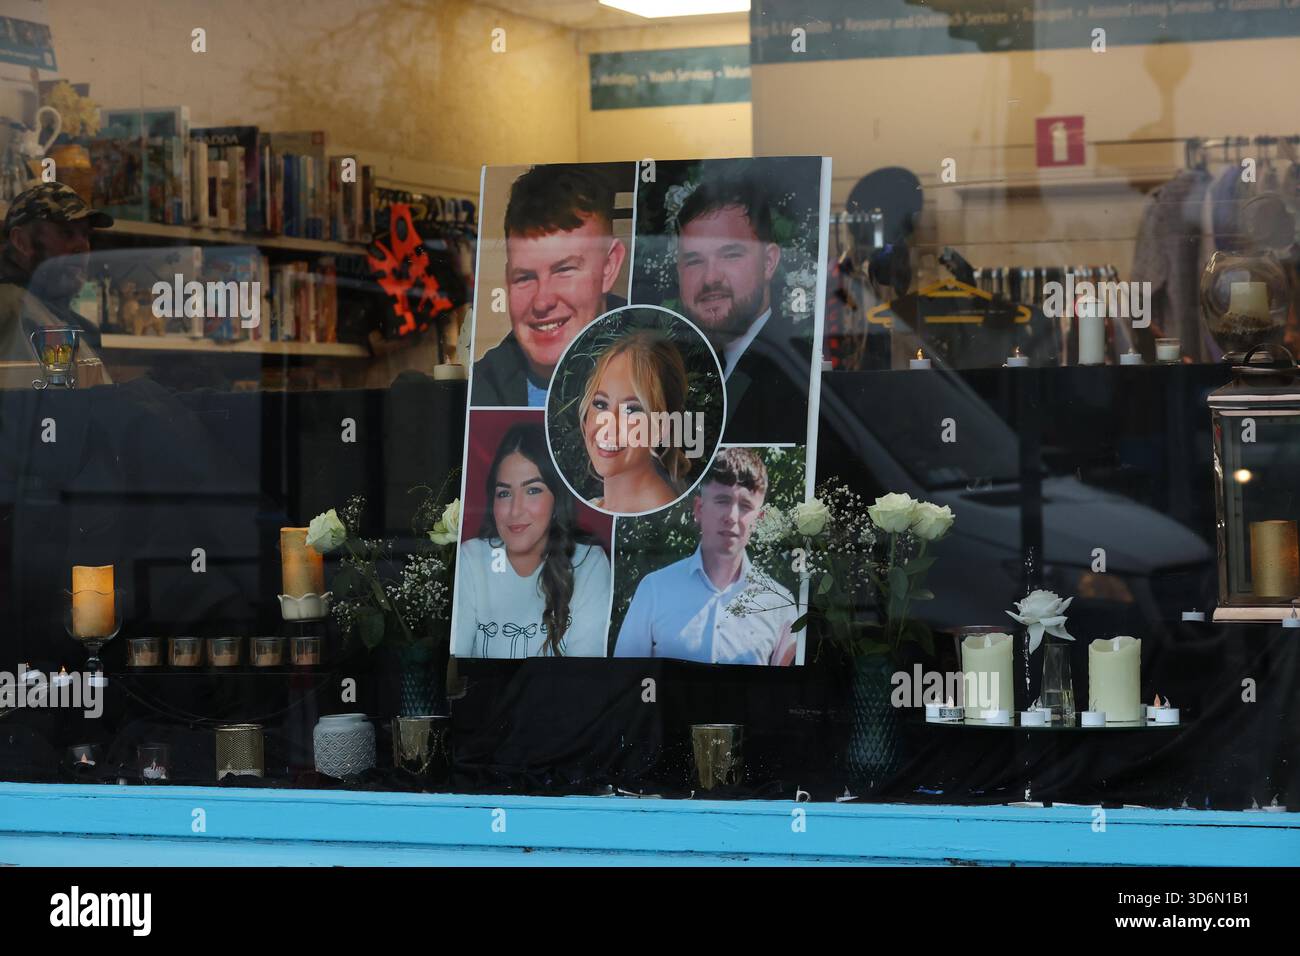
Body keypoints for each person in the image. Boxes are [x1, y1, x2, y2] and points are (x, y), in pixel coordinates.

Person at [614, 448, 798, 665]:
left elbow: (782, 695)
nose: (732, 516)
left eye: (746, 506)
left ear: (759, 519)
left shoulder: (779, 604)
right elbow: (625, 682)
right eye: (722, 501)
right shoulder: (654, 589)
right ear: (699, 509)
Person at [472, 165, 628, 407]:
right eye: (524, 277)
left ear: (609, 266)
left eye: (564, 270)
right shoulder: (479, 392)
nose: (542, 301)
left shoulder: (666, 366)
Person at [454, 421, 611, 658]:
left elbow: (583, 677)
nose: (515, 510)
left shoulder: (588, 563)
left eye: (533, 490)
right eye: (504, 493)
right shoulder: (472, 559)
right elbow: (456, 665)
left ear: (557, 499)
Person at [674, 172, 811, 444]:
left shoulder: (799, 375)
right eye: (693, 260)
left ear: (769, 262)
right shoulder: (674, 371)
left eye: (731, 255)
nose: (711, 277)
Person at [0, 182, 114, 376]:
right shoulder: (9, 308)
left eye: (85, 235)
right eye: (66, 233)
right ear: (21, 241)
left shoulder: (83, 329)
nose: (82, 246)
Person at [579, 329, 693, 514]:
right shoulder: (594, 507)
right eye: (600, 404)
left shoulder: (661, 524)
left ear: (662, 428)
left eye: (631, 409)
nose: (609, 426)